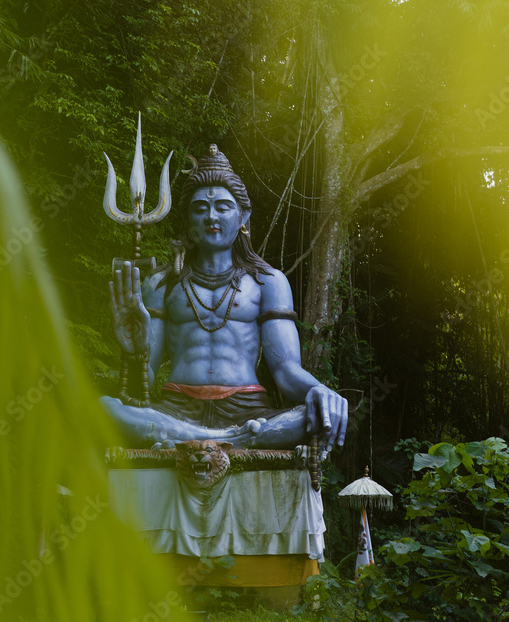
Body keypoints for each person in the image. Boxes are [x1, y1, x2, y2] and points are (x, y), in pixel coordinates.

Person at [100, 145, 348, 452]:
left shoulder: (268, 282)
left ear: (243, 215)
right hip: (176, 409)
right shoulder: (161, 283)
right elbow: (143, 383)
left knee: (314, 413)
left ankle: (190, 440)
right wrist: (136, 354)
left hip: (248, 412)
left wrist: (318, 390)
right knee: (104, 408)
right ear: (187, 218)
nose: (211, 217)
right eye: (199, 209)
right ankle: (232, 440)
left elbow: (285, 370)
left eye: (223, 207)